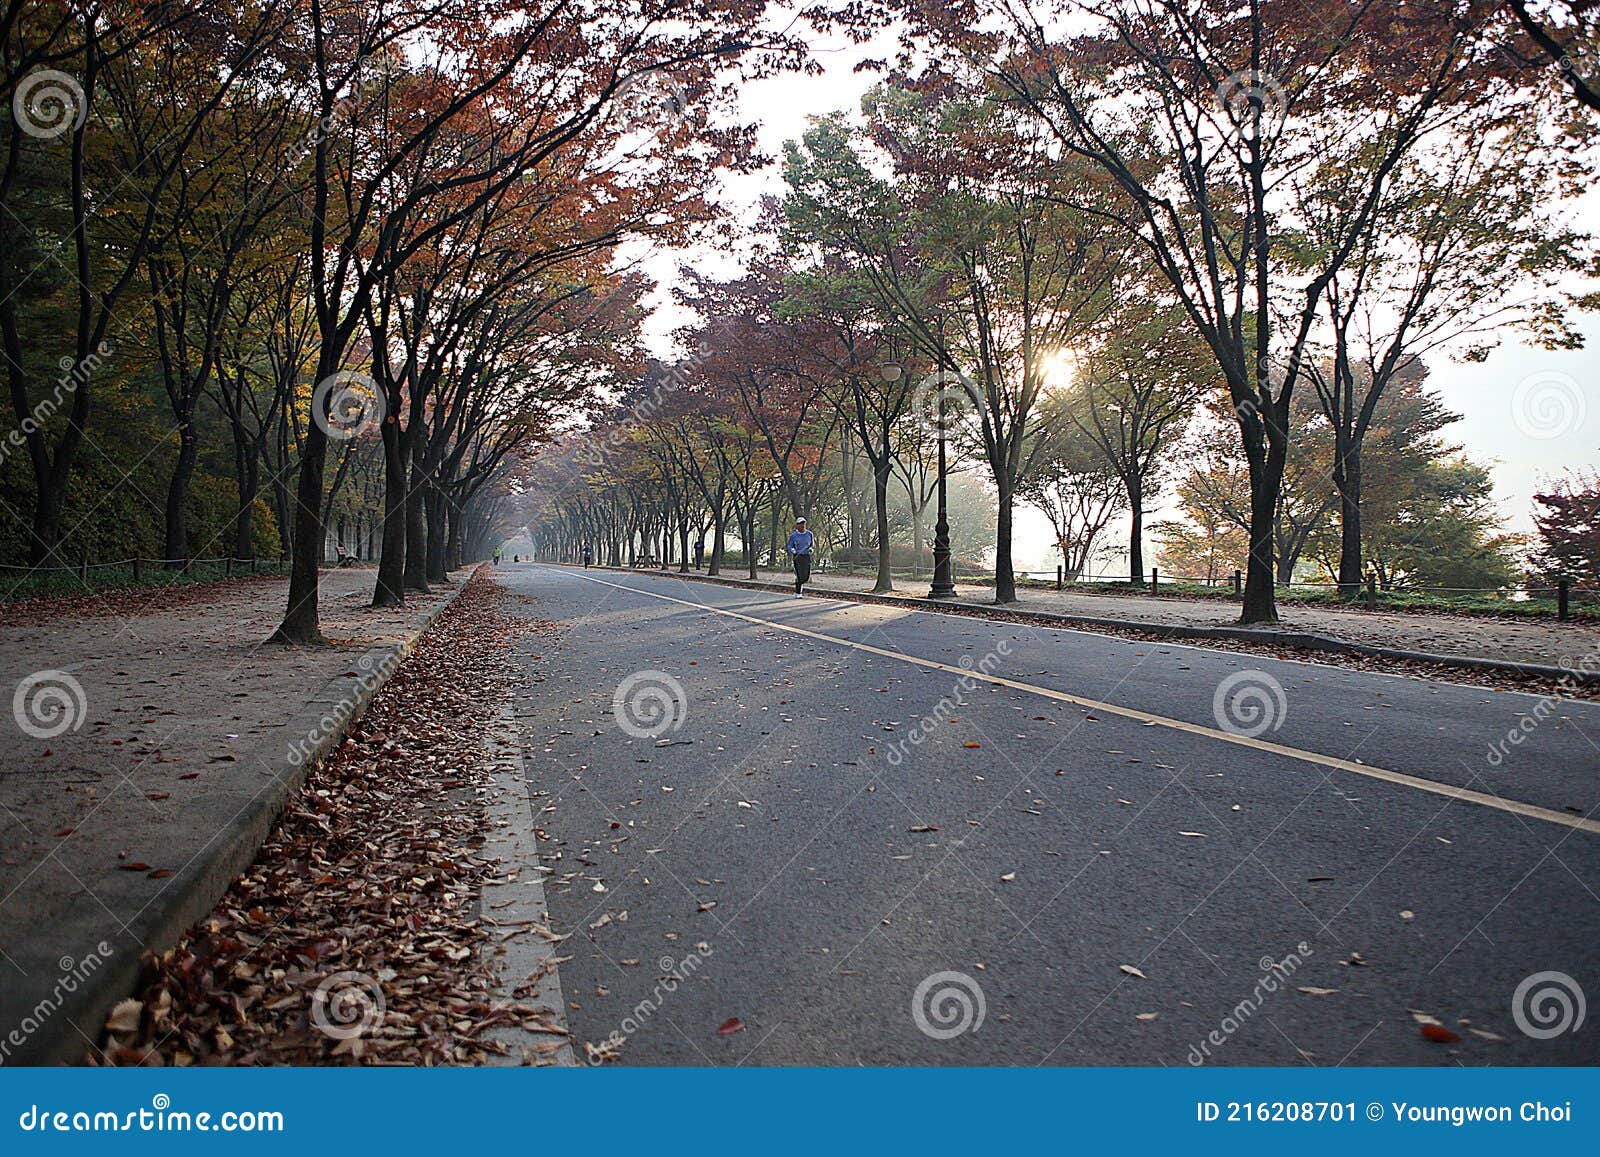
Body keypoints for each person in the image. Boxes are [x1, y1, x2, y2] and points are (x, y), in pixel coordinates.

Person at [785, 516, 814, 597]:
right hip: (797, 556)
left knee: (806, 577)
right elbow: (789, 545)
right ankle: (798, 593)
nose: (802, 525)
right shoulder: (793, 536)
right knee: (800, 575)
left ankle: (798, 582)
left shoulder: (809, 534)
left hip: (806, 556)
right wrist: (792, 550)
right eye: (800, 524)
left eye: (803, 523)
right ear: (797, 525)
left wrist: (811, 549)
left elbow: (812, 544)